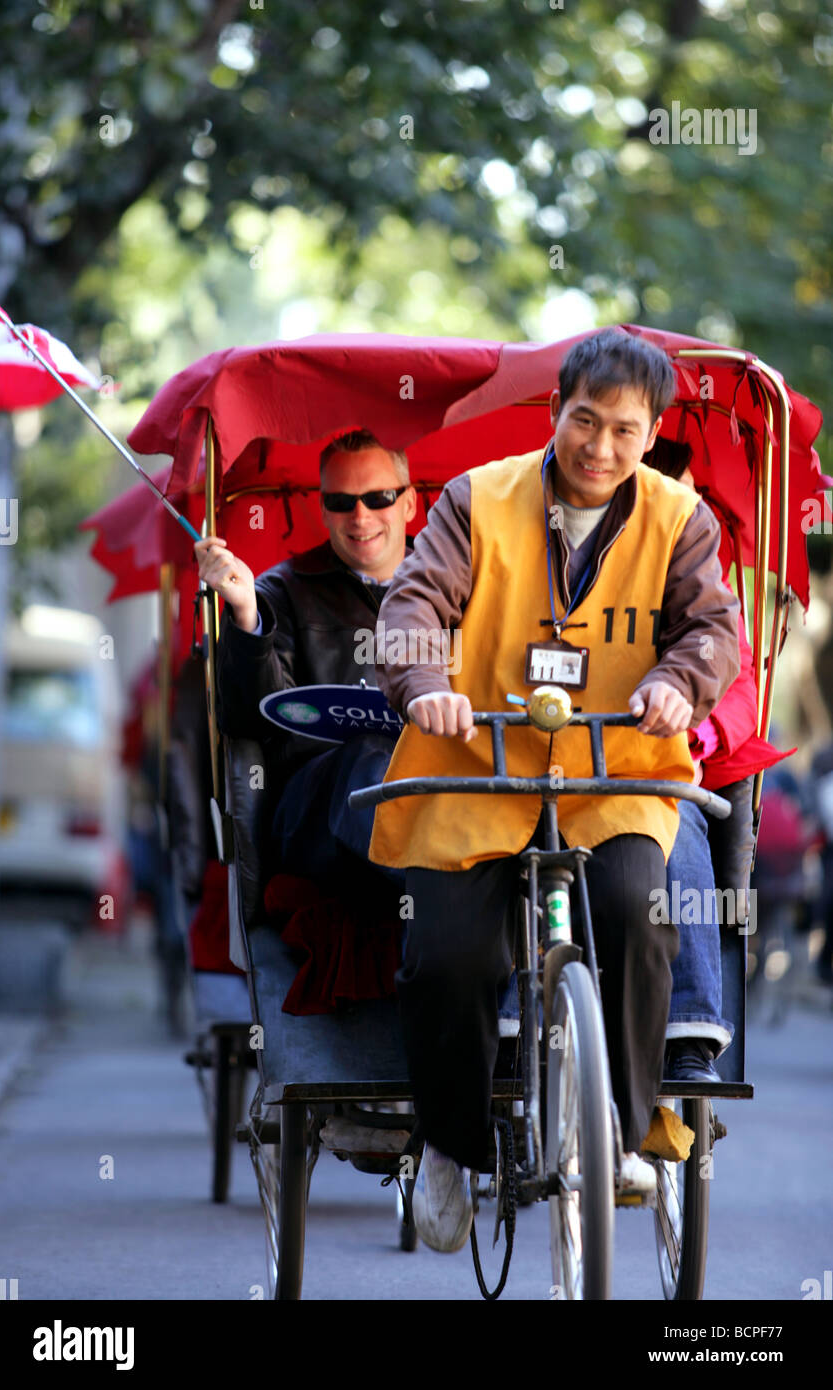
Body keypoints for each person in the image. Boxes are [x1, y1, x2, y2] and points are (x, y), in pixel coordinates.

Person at [368, 328, 741, 1252]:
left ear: (650, 432)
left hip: (614, 773)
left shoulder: (678, 517)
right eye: (585, 421)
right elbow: (413, 606)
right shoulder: (476, 499)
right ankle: (452, 1145)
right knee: (446, 956)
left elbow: (714, 630)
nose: (601, 448)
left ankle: (626, 1129)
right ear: (555, 414)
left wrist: (676, 682)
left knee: (634, 907)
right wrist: (428, 688)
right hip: (477, 768)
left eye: (624, 429)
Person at [194, 428, 416, 900]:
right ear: (323, 509)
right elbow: (247, 716)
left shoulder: (456, 582)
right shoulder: (281, 593)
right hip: (314, 809)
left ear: (409, 505)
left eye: (378, 498)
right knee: (369, 753)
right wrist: (246, 614)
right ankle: (440, 883)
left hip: (434, 783)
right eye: (341, 501)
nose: (360, 516)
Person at [644, 447, 790, 1082]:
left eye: (693, 501)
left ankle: (690, 1029)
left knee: (678, 811)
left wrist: (691, 736)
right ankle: (509, 1017)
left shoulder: (709, 590)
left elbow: (736, 684)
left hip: (673, 770)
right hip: (568, 763)